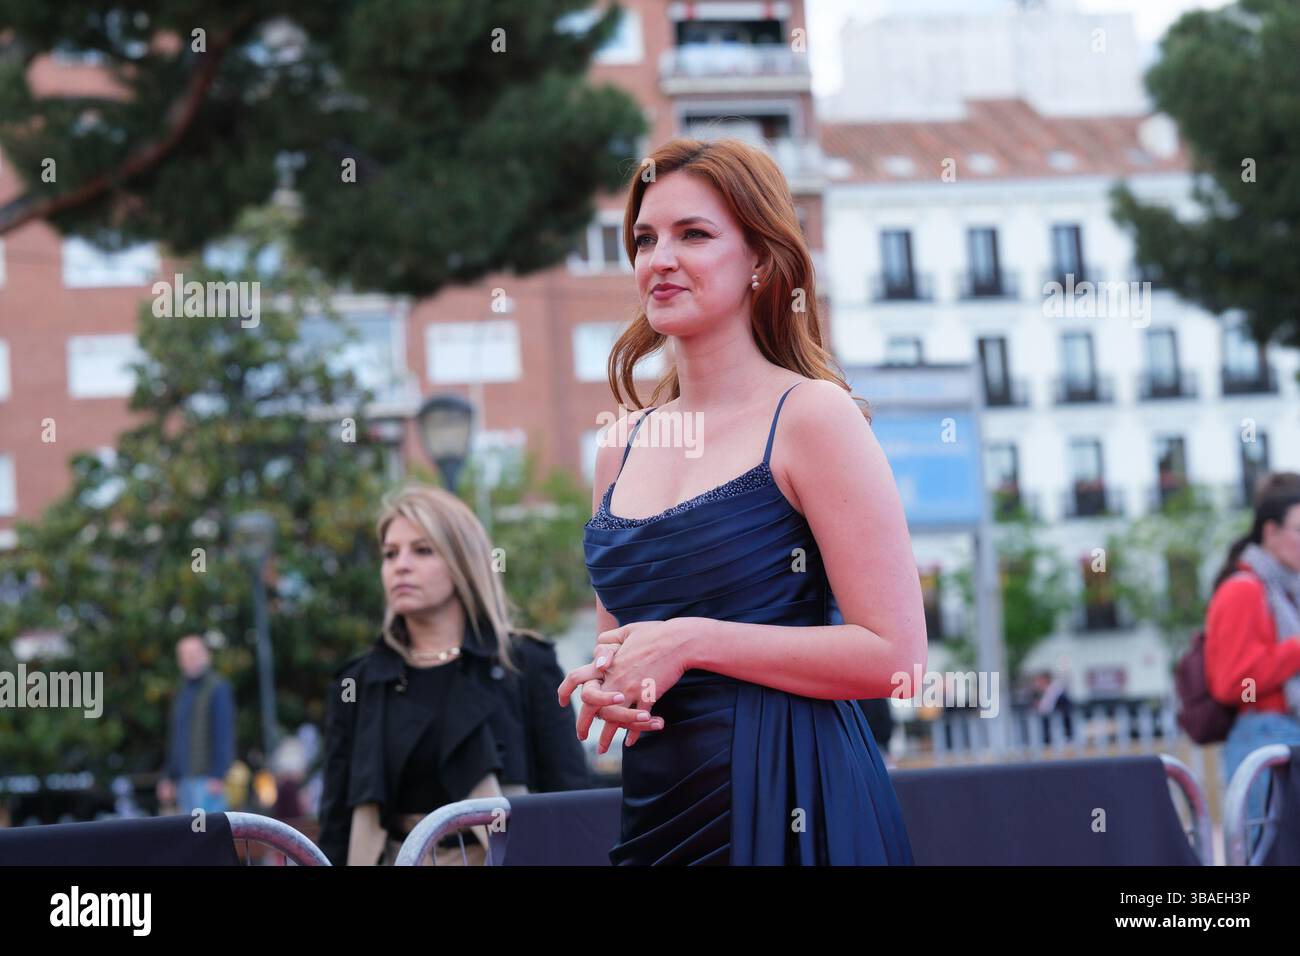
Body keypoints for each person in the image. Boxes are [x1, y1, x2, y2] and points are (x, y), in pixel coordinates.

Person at [564, 137, 924, 865]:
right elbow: (627, 649)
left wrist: (694, 641)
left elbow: (897, 658)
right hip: (659, 811)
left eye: (692, 234)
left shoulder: (814, 415)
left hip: (799, 796)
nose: (659, 258)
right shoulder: (619, 444)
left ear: (761, 260)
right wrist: (607, 687)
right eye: (644, 238)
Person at [318, 485, 590, 866]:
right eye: (390, 554)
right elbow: (335, 823)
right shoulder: (359, 683)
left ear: (463, 562)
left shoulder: (523, 664)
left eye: (423, 550)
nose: (401, 565)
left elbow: (571, 799)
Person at [1205, 477, 1300, 836]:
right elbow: (1232, 683)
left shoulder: (1285, 589)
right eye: (1298, 529)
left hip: (1279, 733)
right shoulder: (1244, 589)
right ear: (1270, 531)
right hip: (1264, 733)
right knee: (1266, 851)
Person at [158, 635, 234, 816]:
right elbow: (176, 737)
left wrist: (218, 774)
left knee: (207, 834)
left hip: (207, 781)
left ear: (206, 656)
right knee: (192, 836)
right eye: (184, 655)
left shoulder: (217, 688)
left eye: (193, 654)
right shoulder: (183, 691)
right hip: (185, 780)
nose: (189, 660)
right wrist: (169, 776)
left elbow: (224, 734)